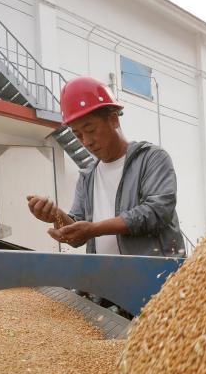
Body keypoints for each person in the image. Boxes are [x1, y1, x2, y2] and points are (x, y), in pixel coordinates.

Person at [26, 76, 185, 258]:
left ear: (113, 120)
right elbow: (77, 236)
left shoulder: (151, 158)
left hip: (157, 280)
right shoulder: (87, 177)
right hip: (105, 281)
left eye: (91, 130)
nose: (86, 142)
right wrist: (55, 216)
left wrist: (95, 229)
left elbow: (157, 212)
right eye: (78, 135)